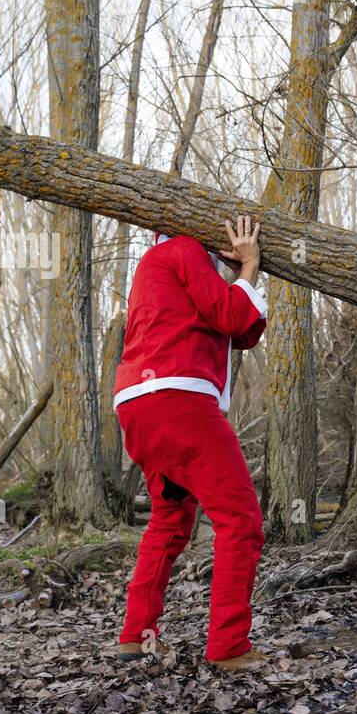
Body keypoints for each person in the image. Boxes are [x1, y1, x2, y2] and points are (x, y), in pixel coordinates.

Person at [112, 215, 268, 671]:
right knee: (240, 518)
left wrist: (241, 276)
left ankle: (136, 636)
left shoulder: (155, 263)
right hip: (177, 399)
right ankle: (229, 646)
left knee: (170, 519)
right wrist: (251, 266)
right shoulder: (183, 249)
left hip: (139, 405)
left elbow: (239, 331)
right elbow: (233, 314)